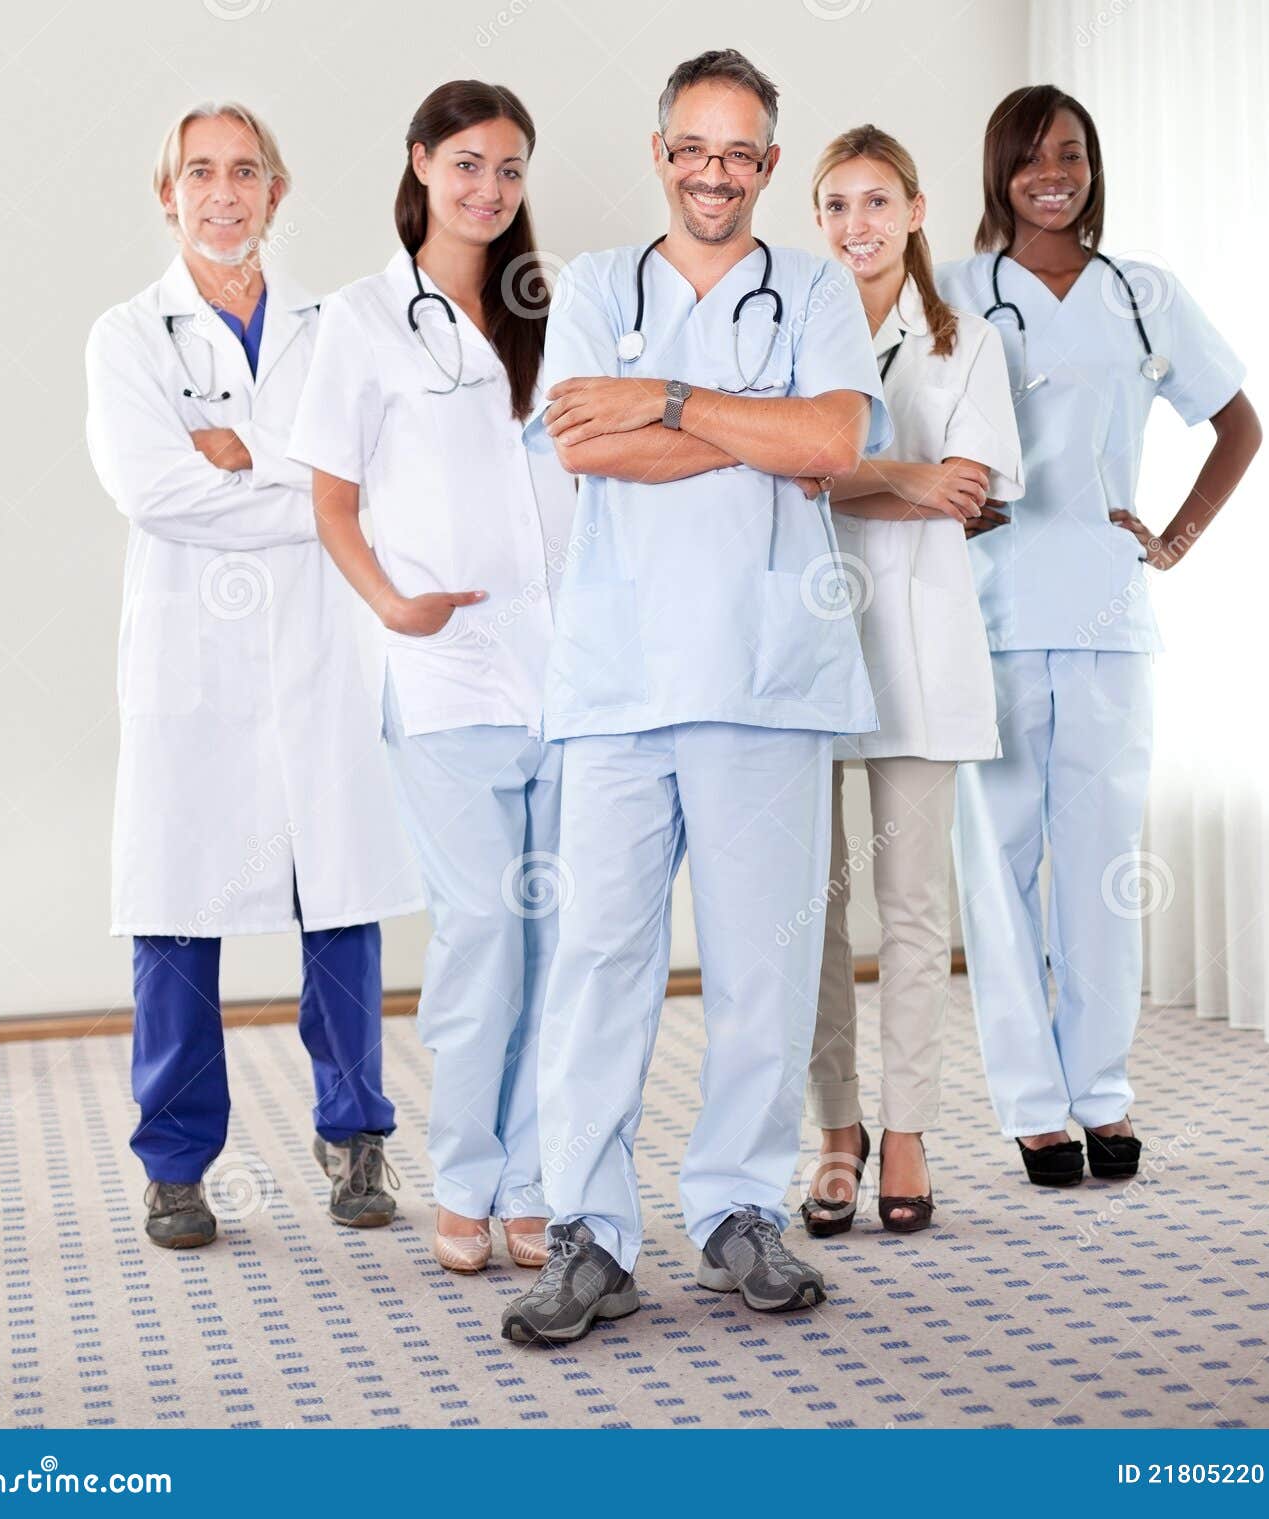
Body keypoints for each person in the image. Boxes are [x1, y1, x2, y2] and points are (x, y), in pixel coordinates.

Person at [500, 49, 891, 1346]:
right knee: (598, 962)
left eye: (738, 153)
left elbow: (835, 442)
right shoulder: (597, 285)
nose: (713, 173)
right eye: (692, 148)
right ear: (660, 153)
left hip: (766, 674)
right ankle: (589, 1232)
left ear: (768, 165)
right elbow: (582, 443)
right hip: (617, 675)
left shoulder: (816, 285)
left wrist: (665, 400)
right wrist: (753, 426)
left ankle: (737, 1212)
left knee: (759, 963)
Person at [85, 102, 424, 1249]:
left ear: (277, 192)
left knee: (340, 899)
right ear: (166, 194)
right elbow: (155, 492)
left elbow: (377, 478)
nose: (223, 193)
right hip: (194, 665)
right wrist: (312, 490)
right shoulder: (128, 337)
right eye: (200, 172)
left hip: (324, 654)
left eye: (245, 171)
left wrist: (248, 459)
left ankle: (356, 1133)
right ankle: (177, 1164)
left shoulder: (338, 330)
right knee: (177, 911)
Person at [939, 86, 1262, 1186]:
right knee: (999, 871)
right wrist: (946, 506)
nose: (1053, 175)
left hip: (1111, 617)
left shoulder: (1142, 292)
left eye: (1070, 154)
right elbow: (899, 428)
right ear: (1000, 170)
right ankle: (1033, 1108)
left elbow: (1238, 423)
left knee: (1102, 869)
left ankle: (1103, 1093)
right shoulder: (956, 291)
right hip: (990, 615)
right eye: (1031, 157)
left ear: (1092, 166)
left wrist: (1173, 539)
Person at [288, 81, 573, 1274]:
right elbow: (331, 499)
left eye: (508, 169)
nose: (487, 190)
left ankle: (534, 1179)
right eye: (466, 164)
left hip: (568, 675)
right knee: (482, 933)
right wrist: (392, 605)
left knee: (560, 939)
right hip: (446, 674)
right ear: (420, 164)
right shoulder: (362, 318)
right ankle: (466, 1172)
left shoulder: (551, 308)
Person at [801, 125, 1022, 1237]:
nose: (858, 225)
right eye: (837, 205)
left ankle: (907, 1133)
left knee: (916, 908)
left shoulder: (965, 342)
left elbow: (967, 491)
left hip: (924, 650)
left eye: (877, 201)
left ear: (917, 210)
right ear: (818, 221)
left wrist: (852, 474)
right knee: (813, 908)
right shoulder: (792, 330)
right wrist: (907, 478)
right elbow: (786, 471)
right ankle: (835, 1127)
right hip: (807, 646)